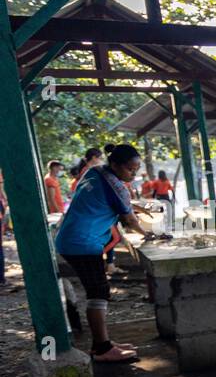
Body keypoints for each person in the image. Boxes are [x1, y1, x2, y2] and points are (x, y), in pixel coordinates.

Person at [54, 144, 154, 363]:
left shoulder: (96, 171)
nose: (134, 174)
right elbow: (129, 220)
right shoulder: (117, 187)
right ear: (116, 165)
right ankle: (101, 348)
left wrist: (134, 205)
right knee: (98, 292)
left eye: (137, 170)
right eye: (130, 169)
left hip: (71, 238)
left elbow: (108, 199)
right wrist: (150, 234)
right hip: (81, 244)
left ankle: (104, 343)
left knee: (98, 290)